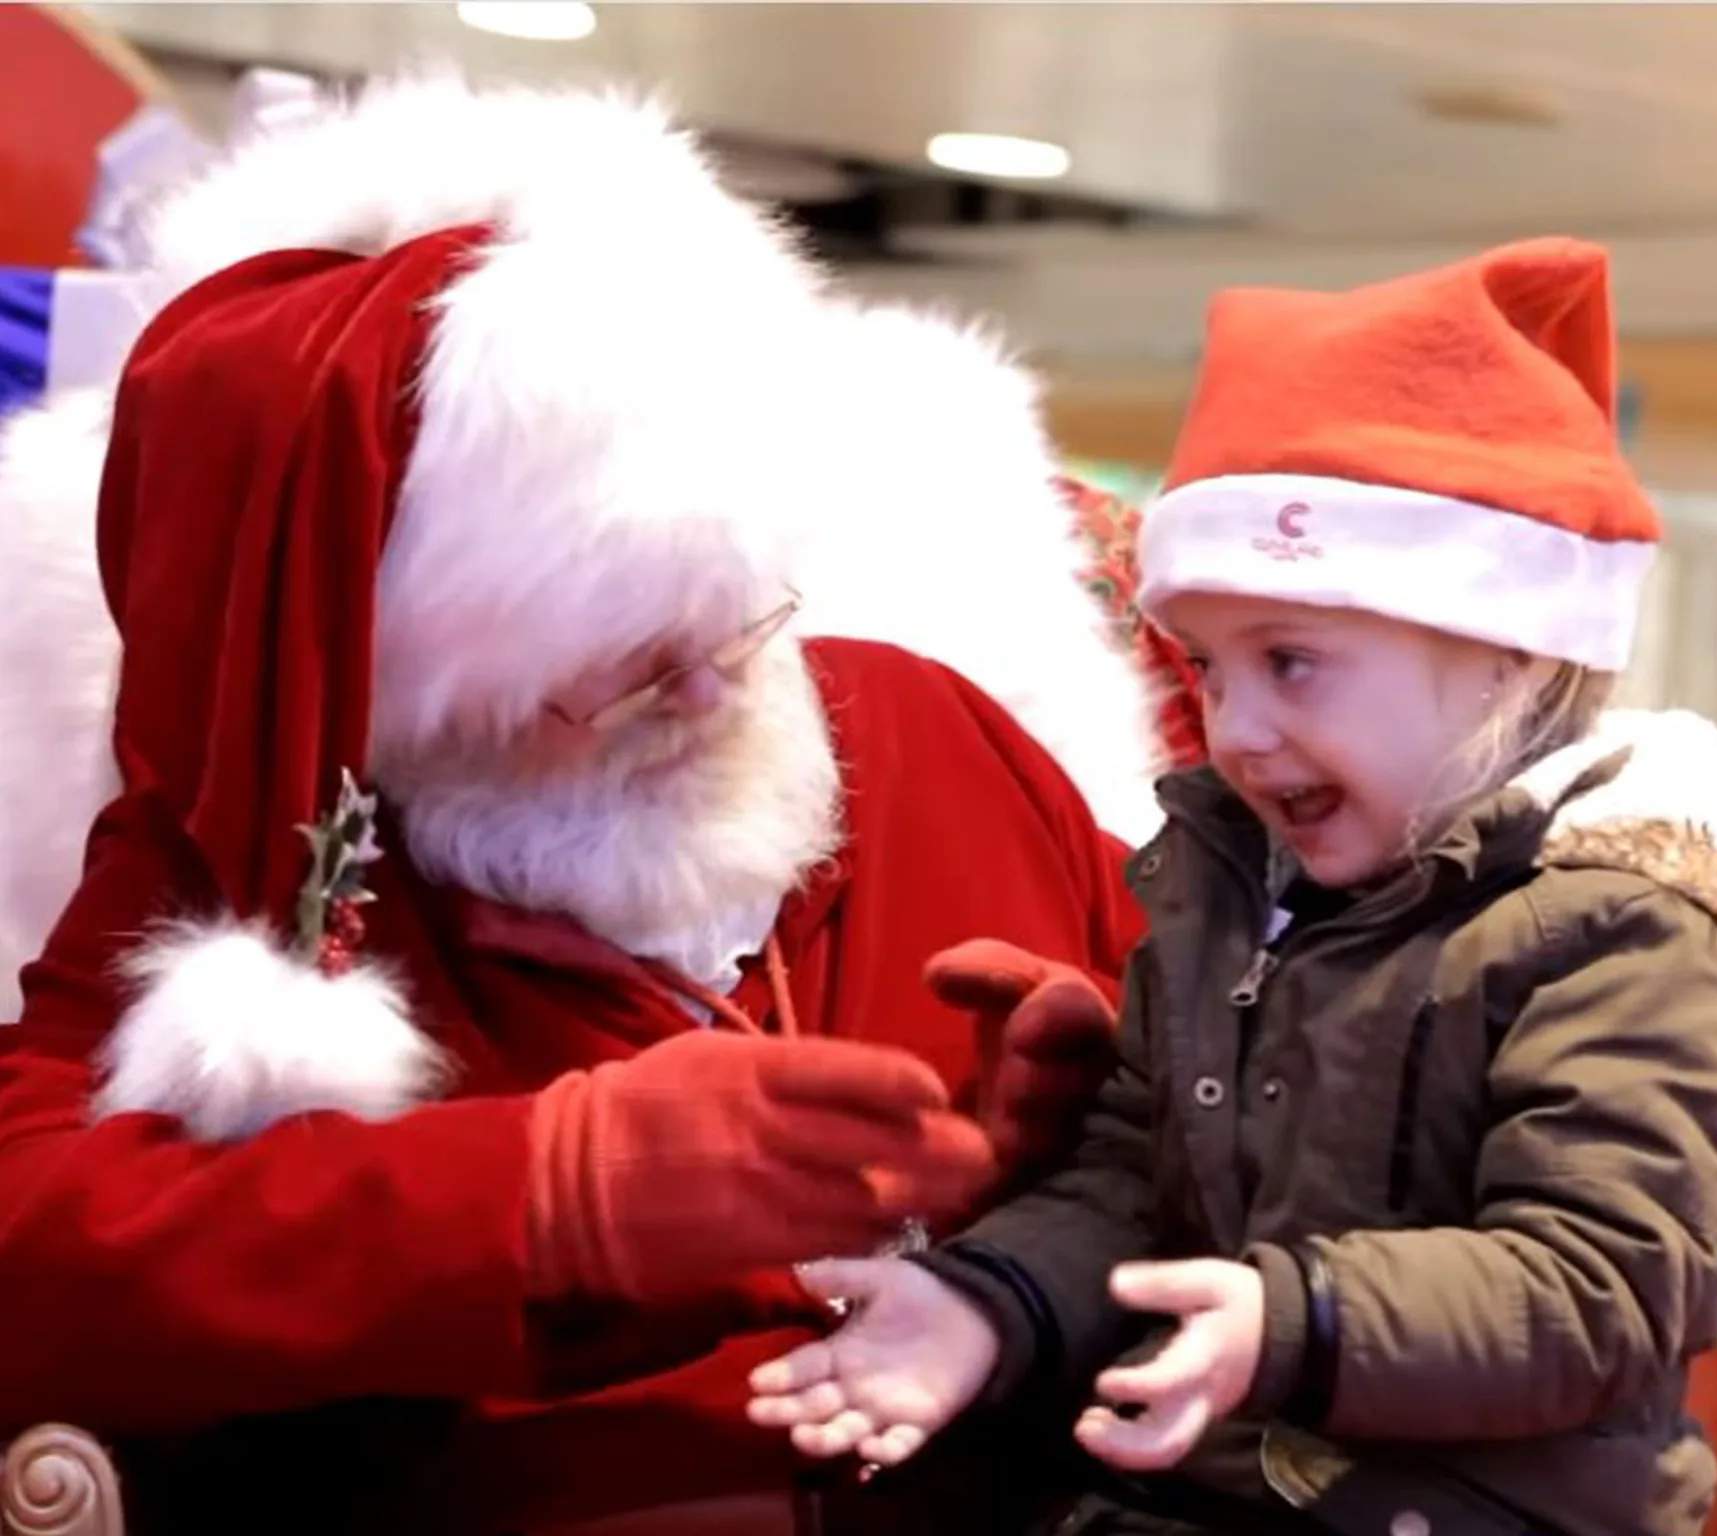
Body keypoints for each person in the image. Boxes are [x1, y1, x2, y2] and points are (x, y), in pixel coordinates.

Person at [0, 74, 1177, 1535]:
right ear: (423, 702)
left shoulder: (938, 731)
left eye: (736, 627)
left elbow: (1283, 1147)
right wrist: (546, 1194)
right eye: (621, 677)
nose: (711, 699)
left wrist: (1105, 1120)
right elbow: (31, 1251)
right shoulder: (264, 859)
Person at [746, 237, 1717, 1536]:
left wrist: (1291, 1319)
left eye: (1293, 662)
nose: (1235, 727)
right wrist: (990, 1305)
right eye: (1208, 667)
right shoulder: (1235, 890)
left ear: (1504, 657)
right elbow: (1135, 1183)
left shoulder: (1636, 933)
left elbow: (1599, 1292)